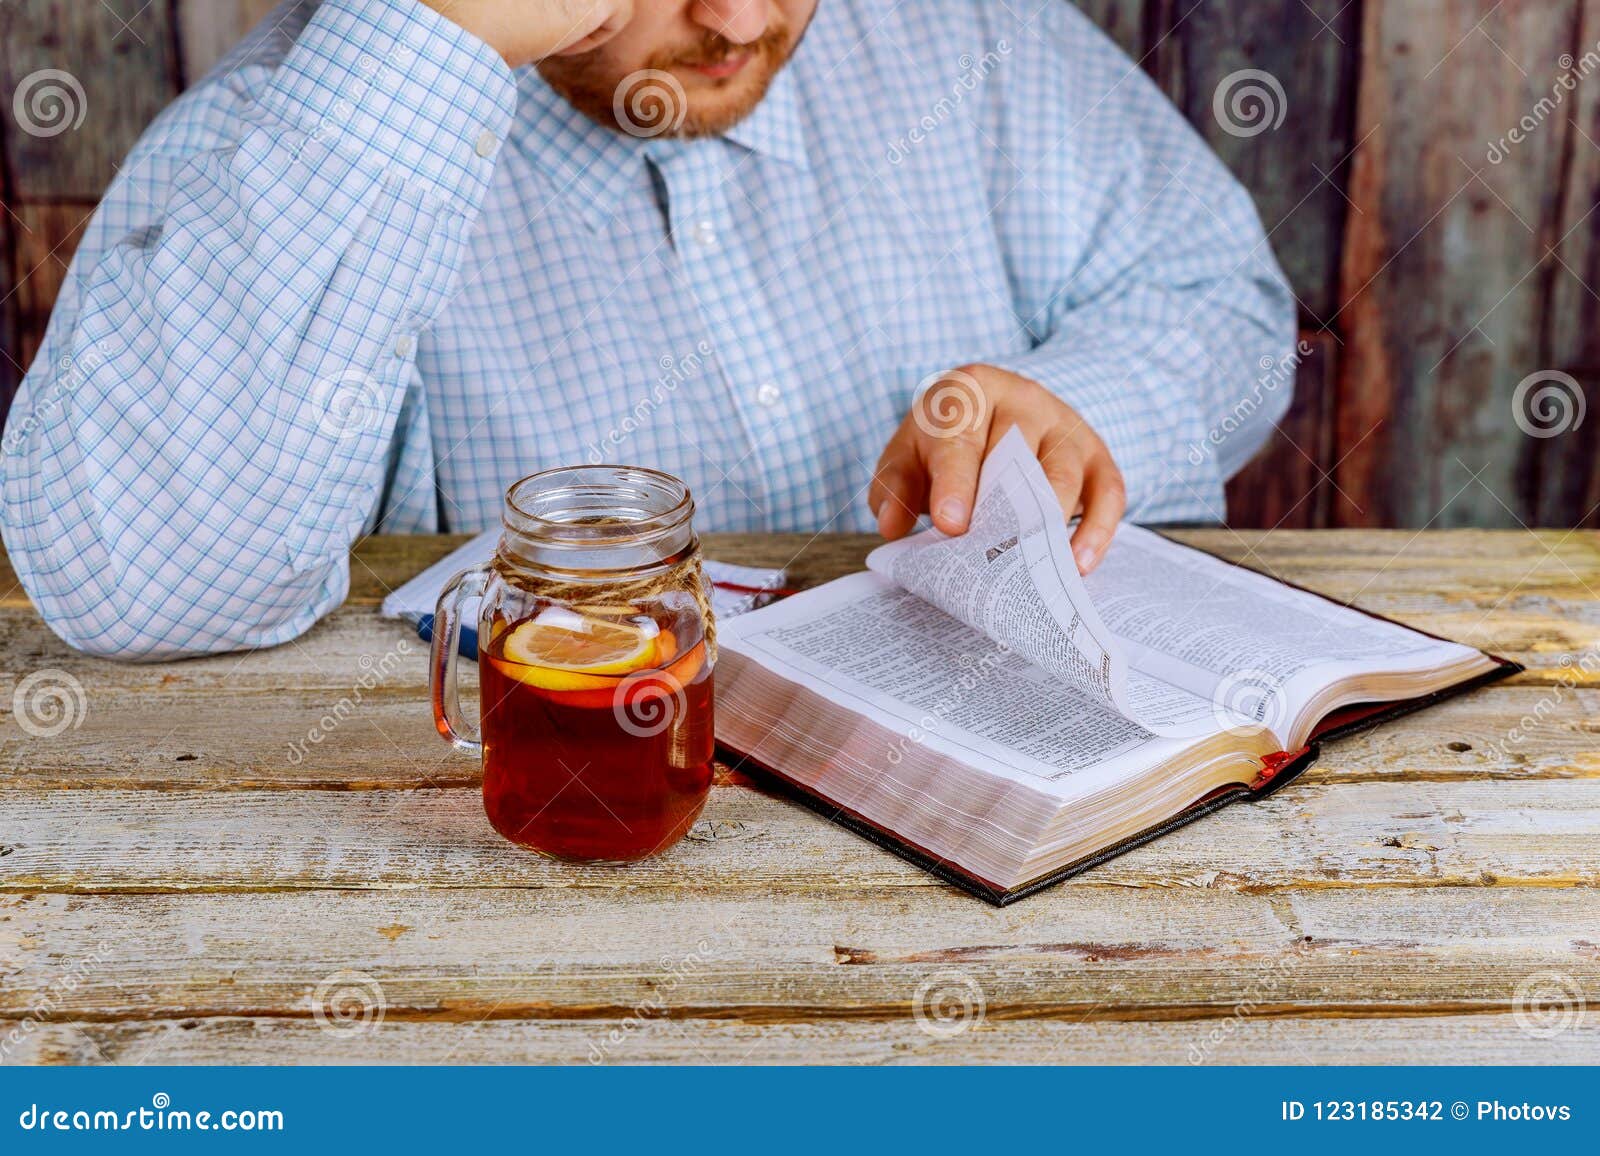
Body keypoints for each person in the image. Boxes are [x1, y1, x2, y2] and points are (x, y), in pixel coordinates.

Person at [0, 0, 1295, 659]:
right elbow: (146, 591)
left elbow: (1220, 297)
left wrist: (1066, 410)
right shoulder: (294, 143)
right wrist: (435, 36)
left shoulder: (966, 34)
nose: (738, 21)